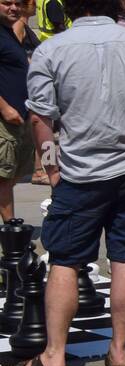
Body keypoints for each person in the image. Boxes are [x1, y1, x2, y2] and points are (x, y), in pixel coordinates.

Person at [14, 0, 125, 366]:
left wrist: (51, 169)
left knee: (65, 260)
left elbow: (40, 116)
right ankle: (119, 351)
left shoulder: (51, 49)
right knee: (124, 259)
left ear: (69, 7)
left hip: (77, 173)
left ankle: (54, 355)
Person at [0, 0, 30, 220]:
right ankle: (11, 238)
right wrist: (4, 108)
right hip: (4, 121)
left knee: (10, 177)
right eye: (6, 3)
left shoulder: (8, 32)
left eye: (17, 4)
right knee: (3, 179)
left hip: (19, 119)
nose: (13, 8)